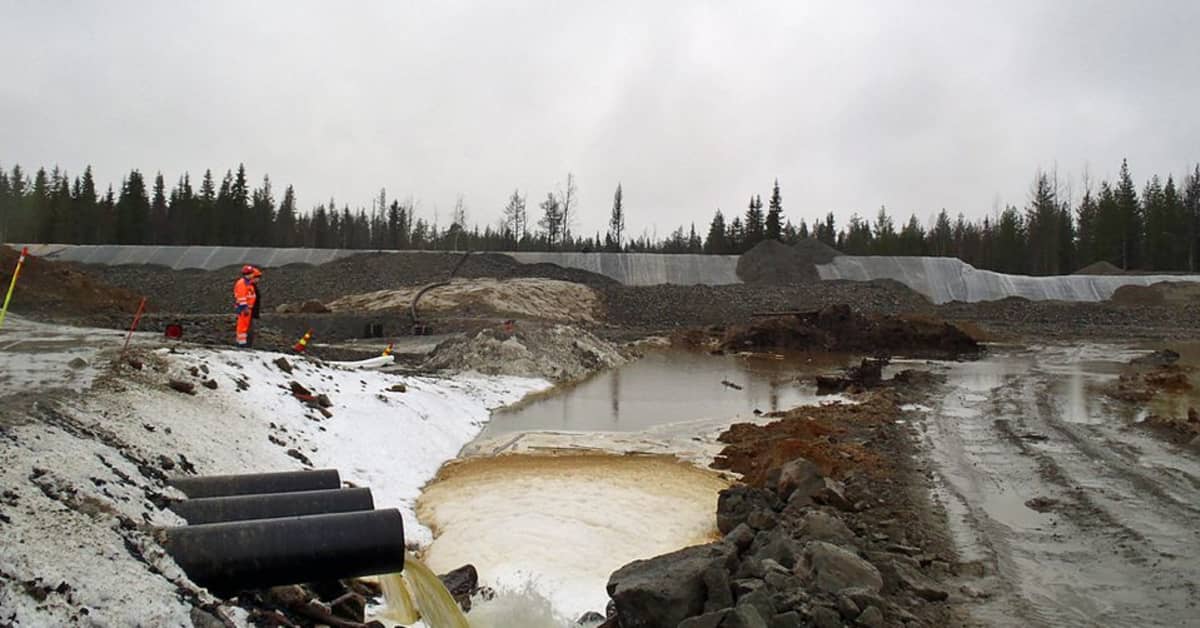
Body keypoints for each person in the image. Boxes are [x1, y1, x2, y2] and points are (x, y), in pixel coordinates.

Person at [233, 265, 262, 348]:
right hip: (244, 308)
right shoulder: (242, 283)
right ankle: (241, 343)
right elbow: (241, 297)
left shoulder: (248, 284)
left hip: (248, 308)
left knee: (245, 326)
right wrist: (244, 307)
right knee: (242, 326)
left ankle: (243, 342)